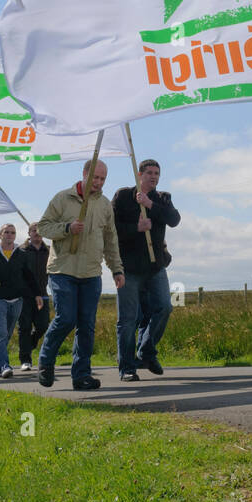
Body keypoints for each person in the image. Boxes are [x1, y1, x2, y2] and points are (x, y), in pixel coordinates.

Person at [37, 160, 126, 390]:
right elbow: (43, 227)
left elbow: (110, 240)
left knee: (86, 325)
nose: (98, 183)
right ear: (84, 174)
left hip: (91, 272)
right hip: (62, 270)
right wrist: (67, 228)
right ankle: (46, 362)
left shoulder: (105, 205)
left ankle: (81, 375)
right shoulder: (62, 198)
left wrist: (116, 269)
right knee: (66, 318)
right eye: (95, 177)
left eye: (102, 179)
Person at [113, 159, 180, 381]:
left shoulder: (162, 198)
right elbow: (111, 229)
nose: (154, 177)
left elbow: (174, 220)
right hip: (129, 268)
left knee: (164, 307)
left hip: (155, 267)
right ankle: (127, 368)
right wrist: (136, 228)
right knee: (128, 319)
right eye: (149, 173)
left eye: (157, 173)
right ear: (139, 174)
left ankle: (146, 350)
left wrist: (151, 205)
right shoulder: (123, 196)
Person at [0, 223, 43, 379]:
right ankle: (4, 366)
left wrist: (37, 294)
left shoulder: (21, 253)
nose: (10, 235)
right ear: (0, 234)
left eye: (12, 232)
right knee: (1, 333)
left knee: (6, 334)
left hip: (17, 299)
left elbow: (29, 276)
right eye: (6, 232)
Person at [17, 223, 51, 371]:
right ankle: (25, 359)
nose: (37, 233)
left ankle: (29, 344)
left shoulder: (49, 251)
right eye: (33, 230)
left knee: (43, 325)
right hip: (24, 296)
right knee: (24, 327)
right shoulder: (21, 251)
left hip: (43, 294)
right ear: (29, 233)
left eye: (39, 230)